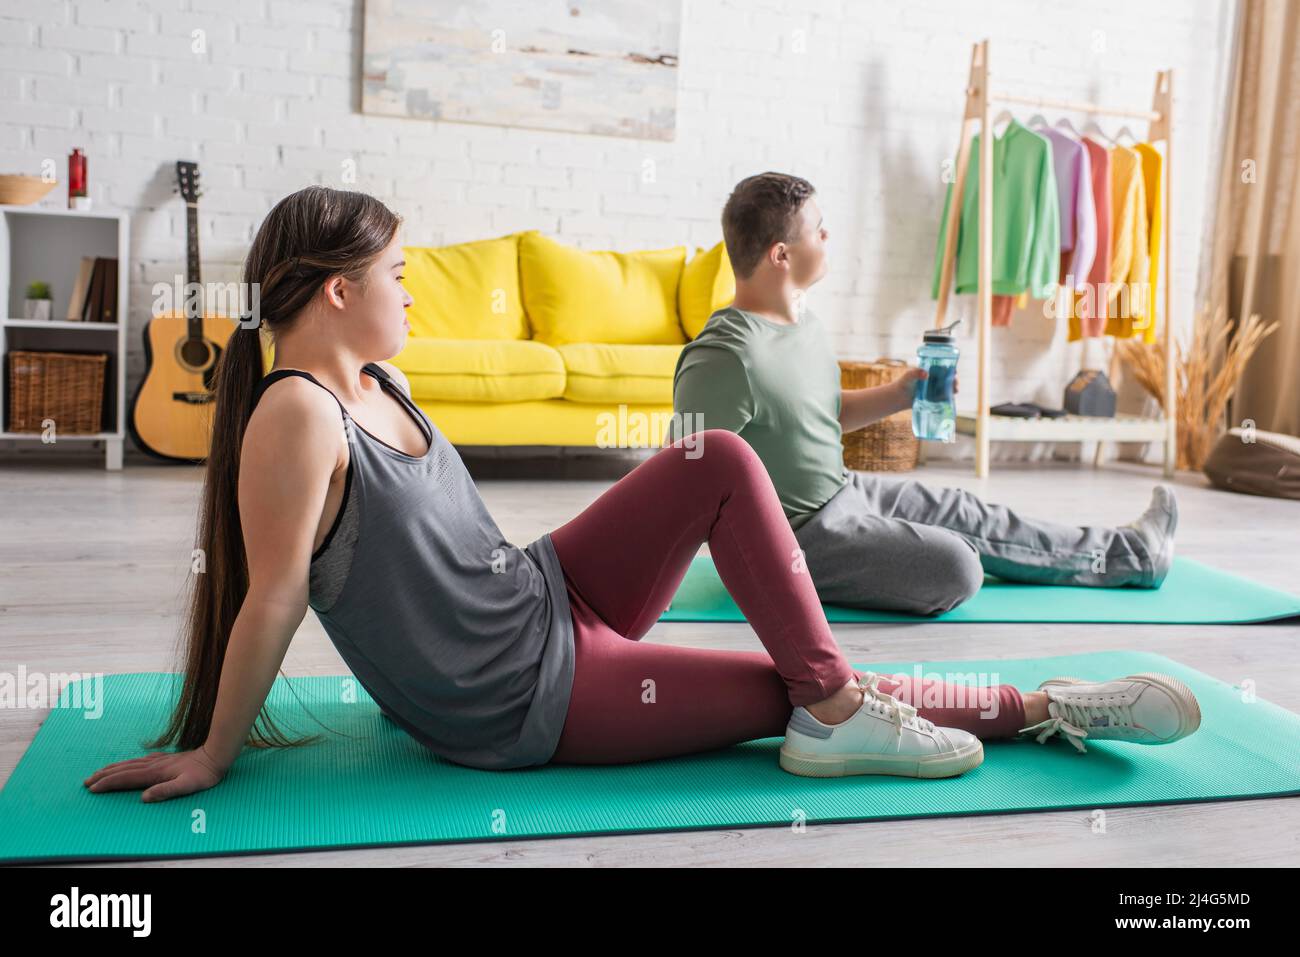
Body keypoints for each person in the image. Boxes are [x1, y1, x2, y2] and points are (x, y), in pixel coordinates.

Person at [82, 187, 1199, 804]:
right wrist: (216, 754)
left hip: (539, 594)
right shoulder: (296, 414)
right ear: (338, 291)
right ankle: (1037, 706)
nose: (414, 295)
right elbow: (273, 594)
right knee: (785, 695)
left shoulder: (379, 379)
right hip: (519, 692)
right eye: (399, 277)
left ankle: (841, 709)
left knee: (718, 461)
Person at [668, 171, 1179, 617]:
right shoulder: (723, 356)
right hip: (798, 541)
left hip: (847, 491)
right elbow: (678, 479)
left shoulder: (803, 323)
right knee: (958, 566)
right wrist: (657, 587)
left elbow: (817, 420)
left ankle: (1134, 552)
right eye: (816, 230)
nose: (827, 235)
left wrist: (900, 393)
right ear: (781, 255)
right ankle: (1114, 556)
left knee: (971, 512)